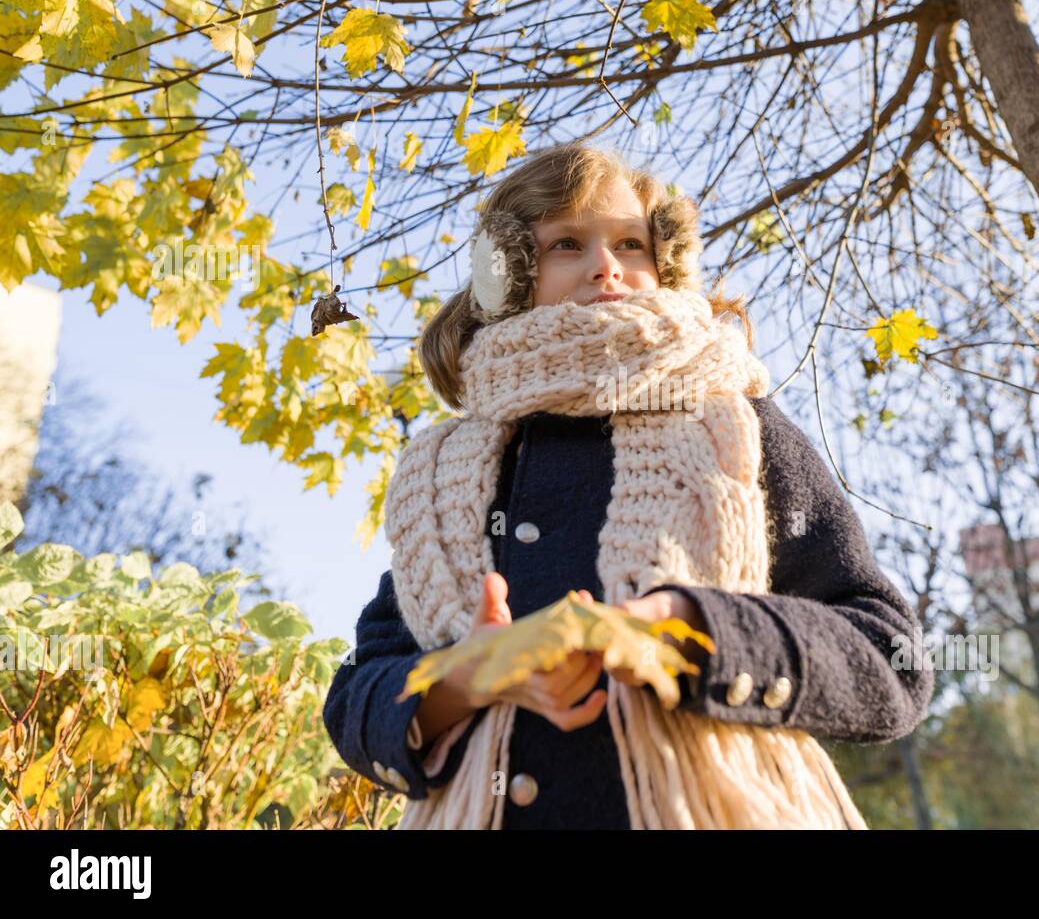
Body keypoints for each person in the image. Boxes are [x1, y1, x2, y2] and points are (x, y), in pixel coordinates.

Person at [323, 139, 935, 829]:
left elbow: (889, 660)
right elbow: (354, 702)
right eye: (566, 245)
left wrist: (688, 629)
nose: (605, 267)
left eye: (631, 244)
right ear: (509, 275)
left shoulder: (740, 427)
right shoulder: (446, 475)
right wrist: (469, 676)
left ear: (666, 263)